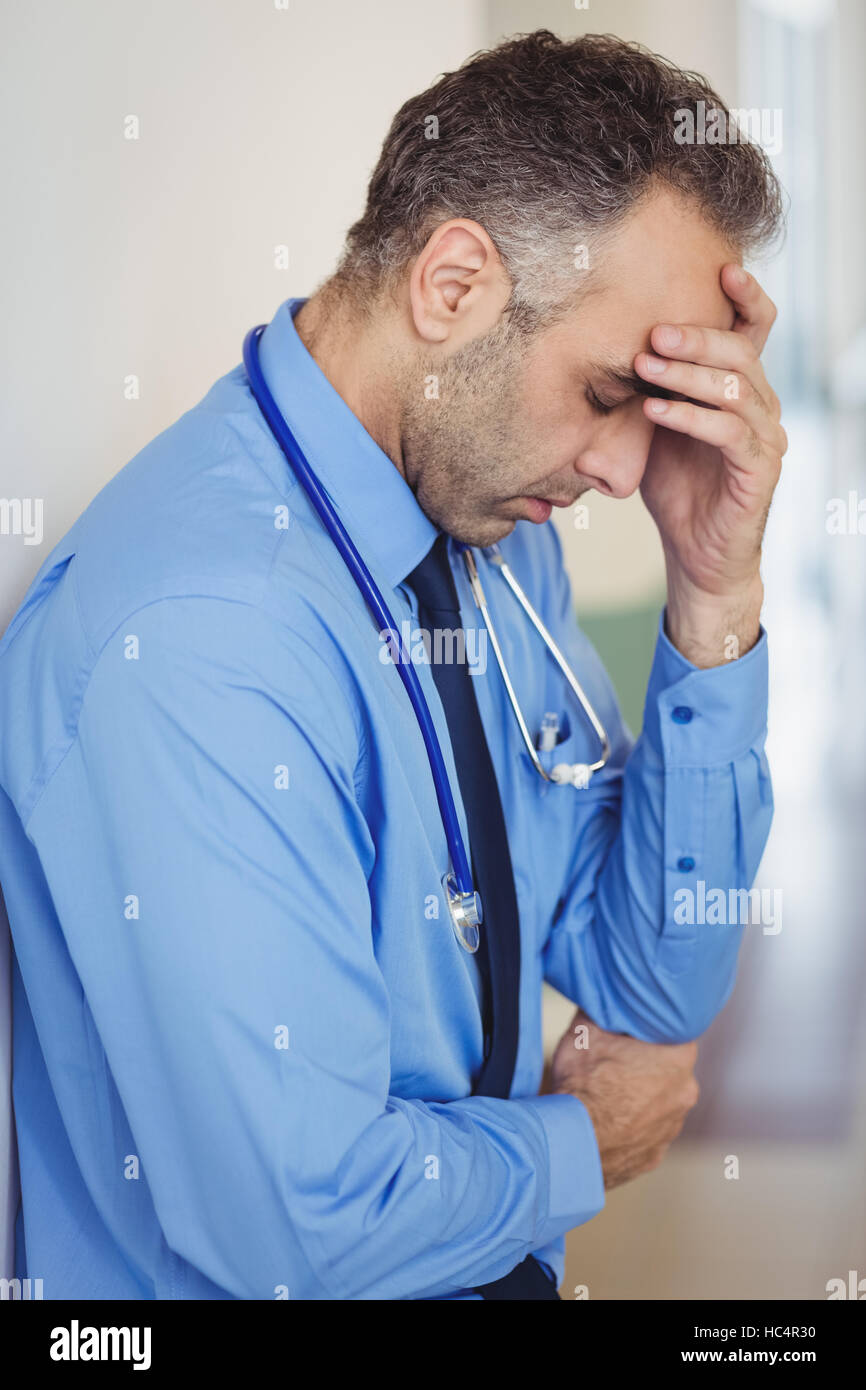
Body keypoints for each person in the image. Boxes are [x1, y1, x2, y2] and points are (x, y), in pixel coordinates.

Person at [0, 30, 786, 1300]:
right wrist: (577, 1141)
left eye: (659, 406)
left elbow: (648, 975)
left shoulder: (483, 523)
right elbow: (295, 1231)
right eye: (605, 393)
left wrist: (712, 594)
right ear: (454, 285)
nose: (624, 474)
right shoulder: (201, 646)